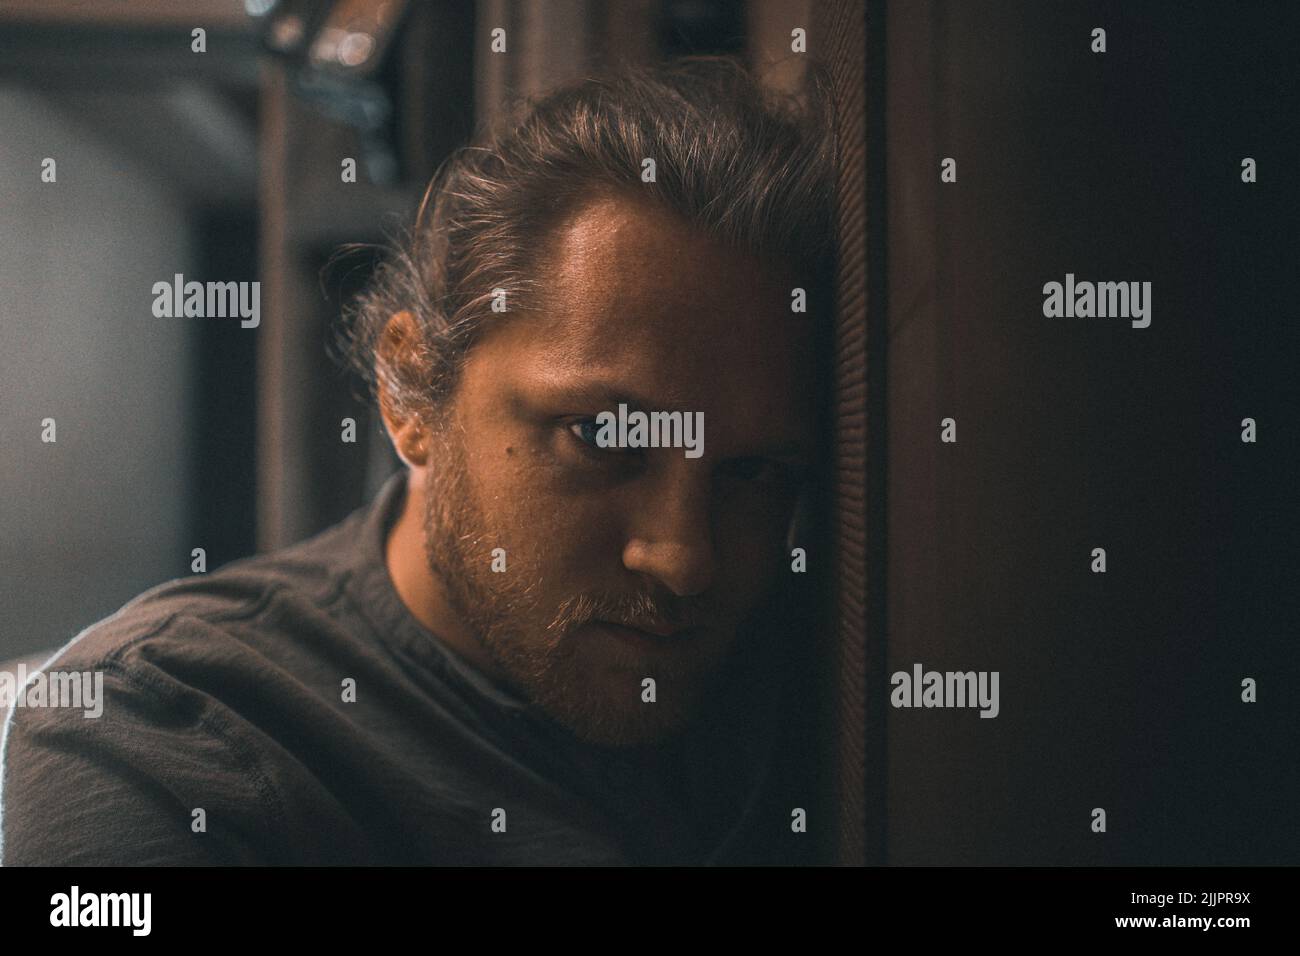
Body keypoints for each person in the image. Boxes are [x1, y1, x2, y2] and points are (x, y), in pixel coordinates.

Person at [0, 56, 833, 865]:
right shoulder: (161, 727)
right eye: (606, 437)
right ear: (409, 390)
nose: (685, 560)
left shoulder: (817, 675)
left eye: (753, 473)